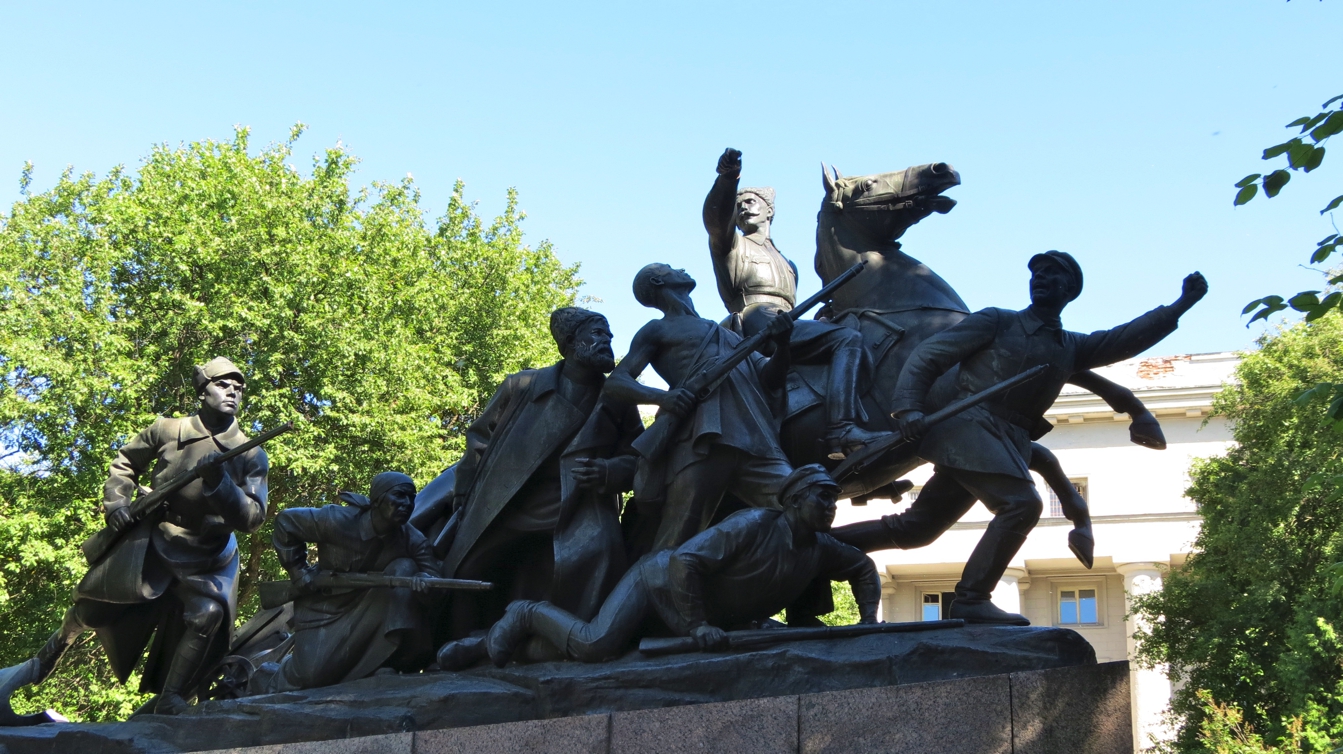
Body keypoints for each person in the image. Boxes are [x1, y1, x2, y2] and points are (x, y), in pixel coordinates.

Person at [831, 252, 1208, 625]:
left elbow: (1119, 340)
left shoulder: (1070, 347)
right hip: (966, 423)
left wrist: (1180, 306)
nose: (1041, 278)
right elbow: (930, 355)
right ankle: (972, 598)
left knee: (918, 529)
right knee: (1022, 504)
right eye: (1037, 273)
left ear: (1070, 290)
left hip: (1005, 439)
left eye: (1052, 274)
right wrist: (909, 407)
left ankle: (821, 548)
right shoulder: (997, 321)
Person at [0, 357, 269, 719]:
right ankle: (44, 660)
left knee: (206, 616)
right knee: (92, 608)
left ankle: (170, 698)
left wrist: (219, 484)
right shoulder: (167, 429)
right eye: (223, 384)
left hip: (210, 553)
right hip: (154, 539)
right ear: (202, 390)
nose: (233, 391)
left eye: (239, 387)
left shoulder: (251, 452)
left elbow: (253, 517)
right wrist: (116, 505)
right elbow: (125, 464)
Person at [449, 465, 879, 667]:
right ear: (794, 500)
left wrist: (868, 620)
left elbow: (861, 568)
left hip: (701, 615)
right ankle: (525, 612)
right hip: (658, 585)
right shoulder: (752, 524)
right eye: (822, 497)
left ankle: (481, 648)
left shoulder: (819, 547)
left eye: (833, 498)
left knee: (587, 654)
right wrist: (697, 626)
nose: (831, 506)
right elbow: (685, 562)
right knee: (596, 645)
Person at [439, 308, 643, 640]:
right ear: (570, 342)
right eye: (597, 334)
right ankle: (454, 648)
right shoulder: (523, 385)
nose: (608, 341)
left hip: (579, 504)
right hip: (509, 499)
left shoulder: (619, 397)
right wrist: (464, 495)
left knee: (602, 553)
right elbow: (479, 438)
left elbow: (637, 454)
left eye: (608, 335)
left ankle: (570, 641)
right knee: (465, 567)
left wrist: (608, 471)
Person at [705, 148, 889, 460]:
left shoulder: (789, 263)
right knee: (847, 339)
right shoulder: (731, 247)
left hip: (786, 319)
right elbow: (716, 219)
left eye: (749, 202)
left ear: (769, 211)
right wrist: (728, 181)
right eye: (738, 206)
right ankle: (841, 429)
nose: (742, 208)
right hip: (754, 319)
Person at [604, 263, 795, 551]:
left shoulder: (728, 335)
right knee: (673, 544)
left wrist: (783, 345)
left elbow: (769, 379)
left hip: (756, 441)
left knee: (801, 499)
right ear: (658, 281)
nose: (679, 268)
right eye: (669, 268)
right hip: (702, 441)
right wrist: (663, 398)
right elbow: (616, 382)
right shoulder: (658, 329)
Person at [263, 472, 440, 692]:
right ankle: (265, 677)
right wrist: (299, 572)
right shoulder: (336, 520)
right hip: (324, 607)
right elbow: (286, 522)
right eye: (400, 496)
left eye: (411, 498)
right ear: (377, 499)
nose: (407, 503)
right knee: (309, 677)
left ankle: (388, 662)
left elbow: (435, 581)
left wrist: (424, 583)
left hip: (375, 607)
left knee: (405, 568)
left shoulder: (413, 540)